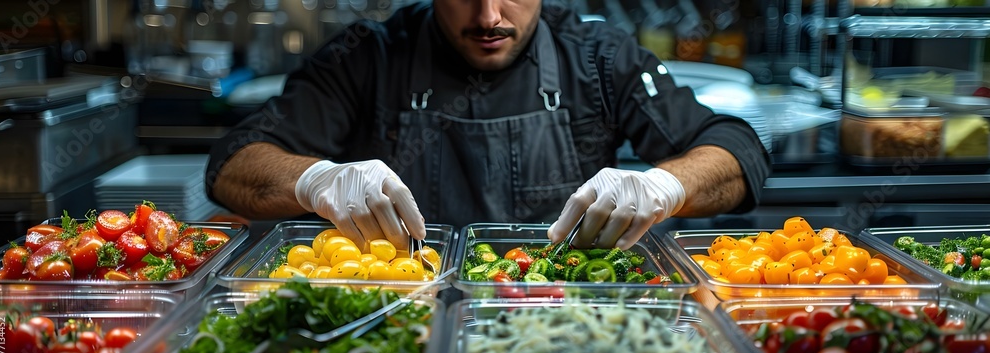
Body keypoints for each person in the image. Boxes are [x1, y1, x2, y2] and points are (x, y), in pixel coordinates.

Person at [206, 0, 771, 252]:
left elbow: (737, 150)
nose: (489, 17)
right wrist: (318, 180)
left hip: (563, 308)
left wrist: (662, 185)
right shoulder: (368, 56)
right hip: (402, 311)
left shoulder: (598, 57)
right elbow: (233, 163)